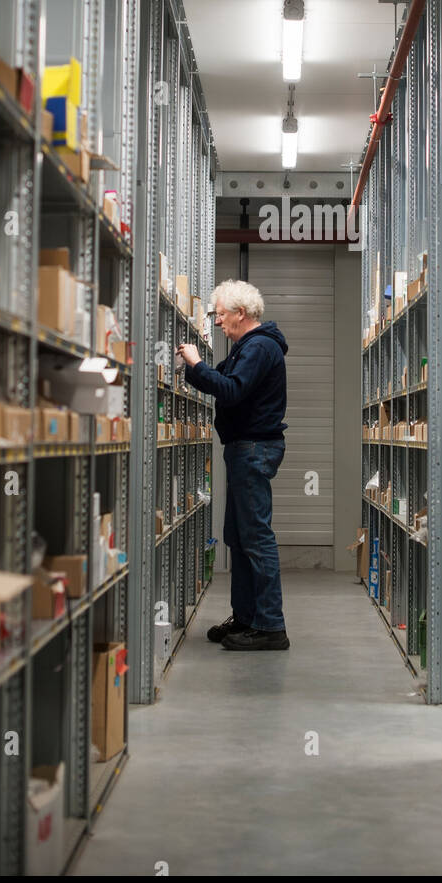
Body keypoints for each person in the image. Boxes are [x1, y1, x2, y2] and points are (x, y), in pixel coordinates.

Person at [176, 279, 290, 651]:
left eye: (220, 315)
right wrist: (192, 368)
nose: (218, 322)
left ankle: (271, 627)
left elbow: (230, 389)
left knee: (255, 538)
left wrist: (195, 362)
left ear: (241, 314)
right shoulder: (246, 347)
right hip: (244, 448)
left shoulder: (259, 348)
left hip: (254, 449)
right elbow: (220, 378)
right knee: (238, 538)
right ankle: (246, 618)